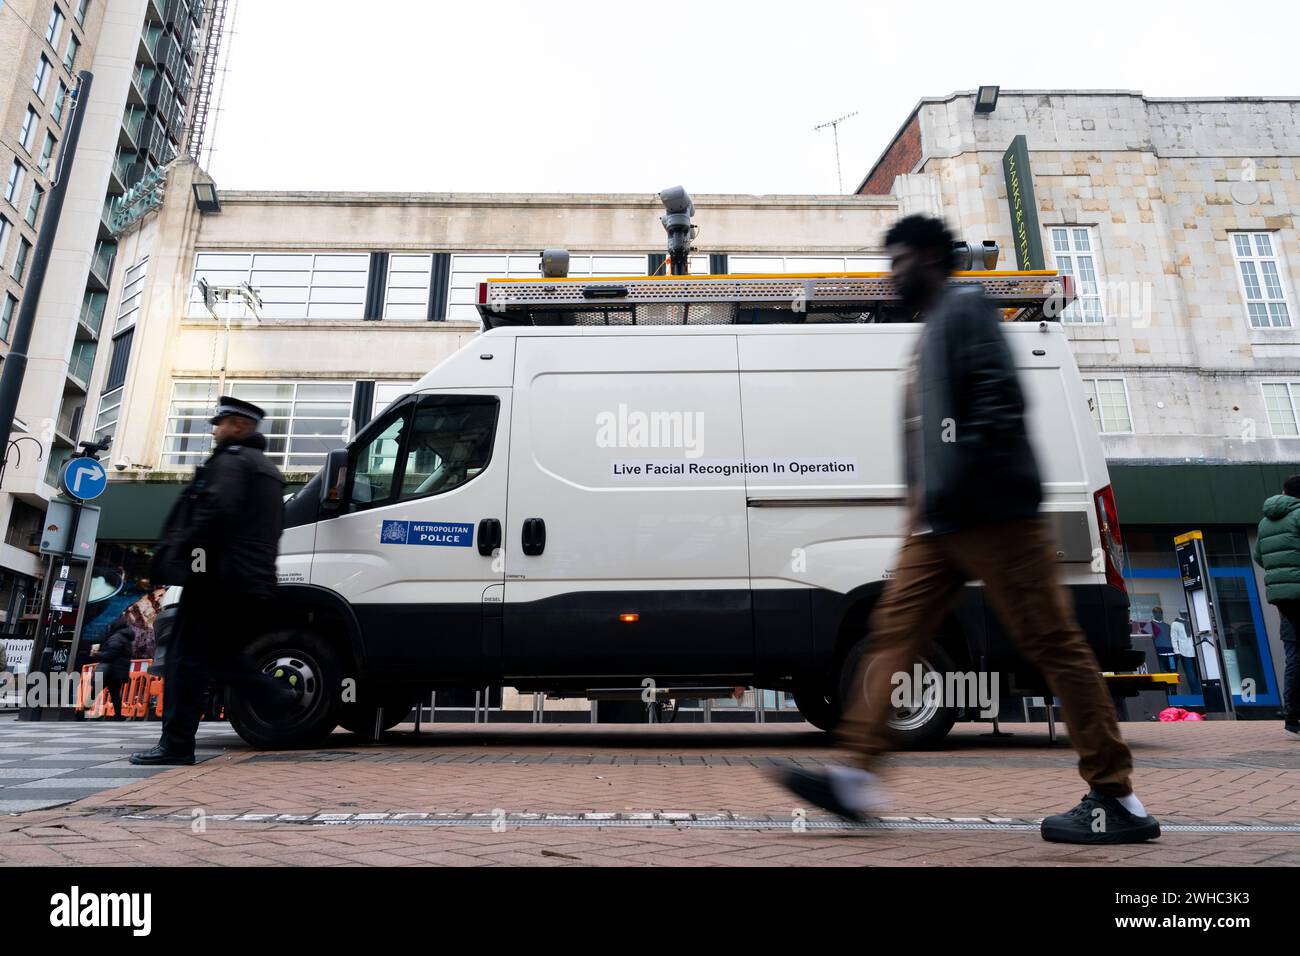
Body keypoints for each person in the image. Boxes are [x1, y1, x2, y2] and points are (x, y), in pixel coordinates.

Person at [779, 215, 1159, 844]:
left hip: (993, 515)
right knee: (892, 639)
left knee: (1052, 644)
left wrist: (964, 480)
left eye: (898, 260)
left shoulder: (966, 309)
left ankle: (1117, 797)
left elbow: (999, 401)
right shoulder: (933, 329)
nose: (891, 274)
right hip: (939, 524)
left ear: (929, 257)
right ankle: (855, 779)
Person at [131, 396, 297, 766]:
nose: (214, 429)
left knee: (185, 660)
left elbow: (215, 513)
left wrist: (184, 556)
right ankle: (274, 695)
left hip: (216, 580)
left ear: (238, 425)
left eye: (219, 422)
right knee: (216, 656)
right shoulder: (267, 470)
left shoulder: (232, 462)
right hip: (247, 581)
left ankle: (176, 745)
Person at [1252, 474, 1300, 739]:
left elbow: (1259, 556)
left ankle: (1292, 717)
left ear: (1284, 491)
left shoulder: (1265, 521)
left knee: (1294, 652)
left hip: (1283, 599)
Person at [91, 615, 137, 720]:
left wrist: (97, 654)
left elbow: (111, 654)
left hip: (110, 670)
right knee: (115, 694)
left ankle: (83, 710)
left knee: (96, 690)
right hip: (118, 671)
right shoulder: (126, 639)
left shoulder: (116, 637)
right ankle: (118, 715)